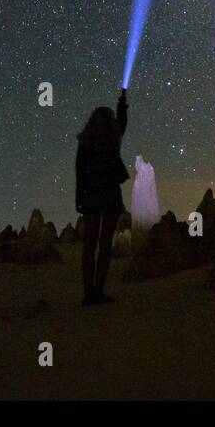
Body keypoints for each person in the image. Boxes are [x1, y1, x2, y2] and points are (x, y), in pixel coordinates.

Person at [75, 89, 129, 305]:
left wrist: (78, 197)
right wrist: (122, 103)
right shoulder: (113, 141)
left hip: (91, 197)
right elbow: (123, 123)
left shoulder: (86, 144)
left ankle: (88, 293)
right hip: (109, 197)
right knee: (105, 245)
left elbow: (80, 171)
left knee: (89, 246)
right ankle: (98, 291)